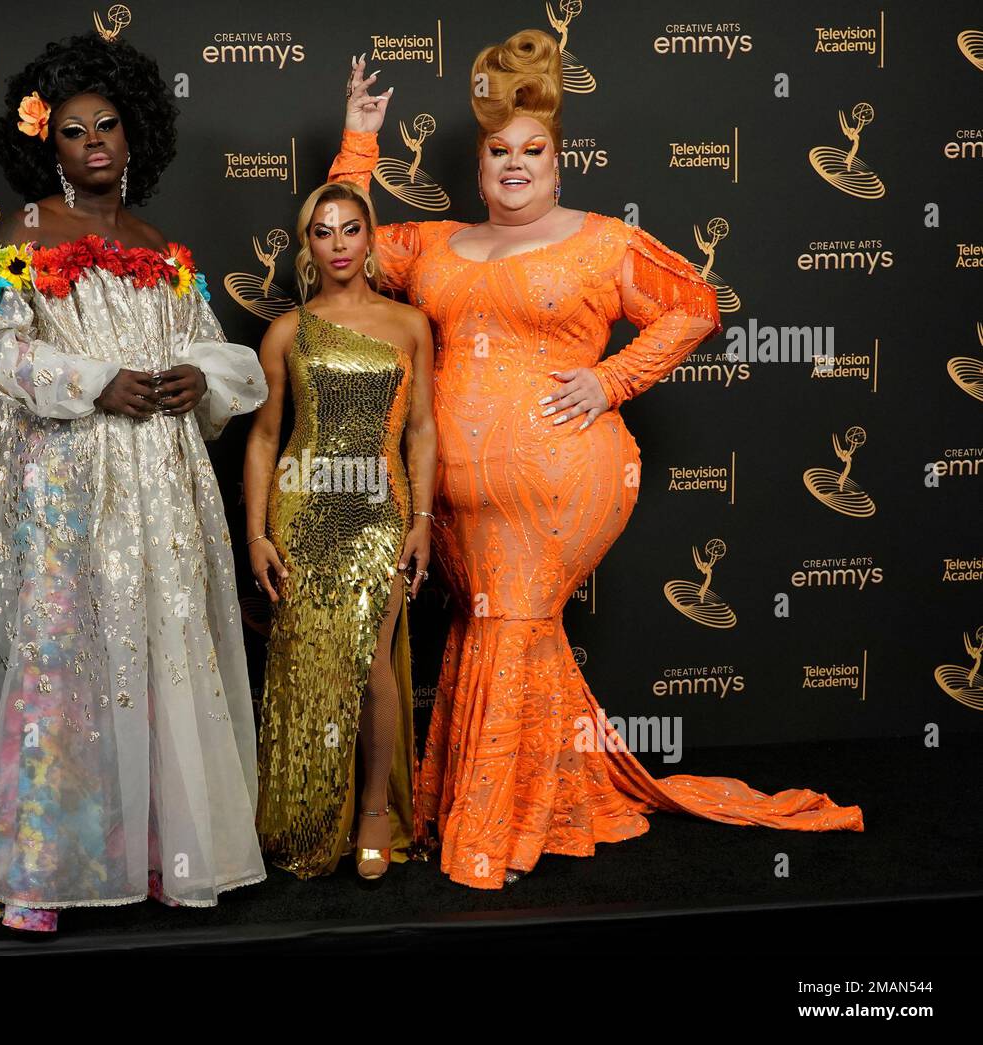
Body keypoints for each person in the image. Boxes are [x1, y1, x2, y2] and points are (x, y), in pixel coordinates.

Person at [327, 30, 863, 890]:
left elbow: (693, 306)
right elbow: (340, 232)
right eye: (498, 151)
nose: (513, 163)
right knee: (498, 629)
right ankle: (540, 792)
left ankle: (492, 831)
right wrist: (359, 136)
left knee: (513, 622)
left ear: (558, 164)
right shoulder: (435, 245)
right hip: (450, 496)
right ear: (479, 166)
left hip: (563, 480)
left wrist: (611, 380)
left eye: (531, 151)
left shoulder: (601, 240)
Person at [0, 31, 268, 930]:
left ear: (136, 137)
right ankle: (40, 874)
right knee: (63, 658)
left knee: (163, 652)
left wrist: (200, 374)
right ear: (45, 143)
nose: (93, 142)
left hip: (161, 478)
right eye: (74, 130)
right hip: (69, 478)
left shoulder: (159, 245)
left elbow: (210, 342)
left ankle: (166, 854)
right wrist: (93, 381)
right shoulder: (22, 233)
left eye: (109, 125)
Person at [245, 181, 437, 879]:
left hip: (380, 510)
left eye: (350, 229)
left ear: (370, 236)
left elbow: (421, 429)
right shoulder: (287, 331)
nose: (338, 245)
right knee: (303, 661)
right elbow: (265, 438)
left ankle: (374, 812)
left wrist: (422, 520)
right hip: (303, 510)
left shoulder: (410, 324)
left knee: (371, 661)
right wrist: (258, 535)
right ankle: (302, 815)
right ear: (308, 246)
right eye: (322, 233)